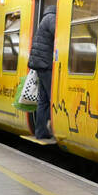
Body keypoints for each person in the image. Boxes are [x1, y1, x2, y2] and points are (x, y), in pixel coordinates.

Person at [26, 9, 55, 140]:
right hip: (45, 64)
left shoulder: (44, 19)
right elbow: (59, 34)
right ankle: (52, 128)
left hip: (40, 64)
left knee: (43, 100)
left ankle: (40, 132)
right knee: (51, 98)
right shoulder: (51, 18)